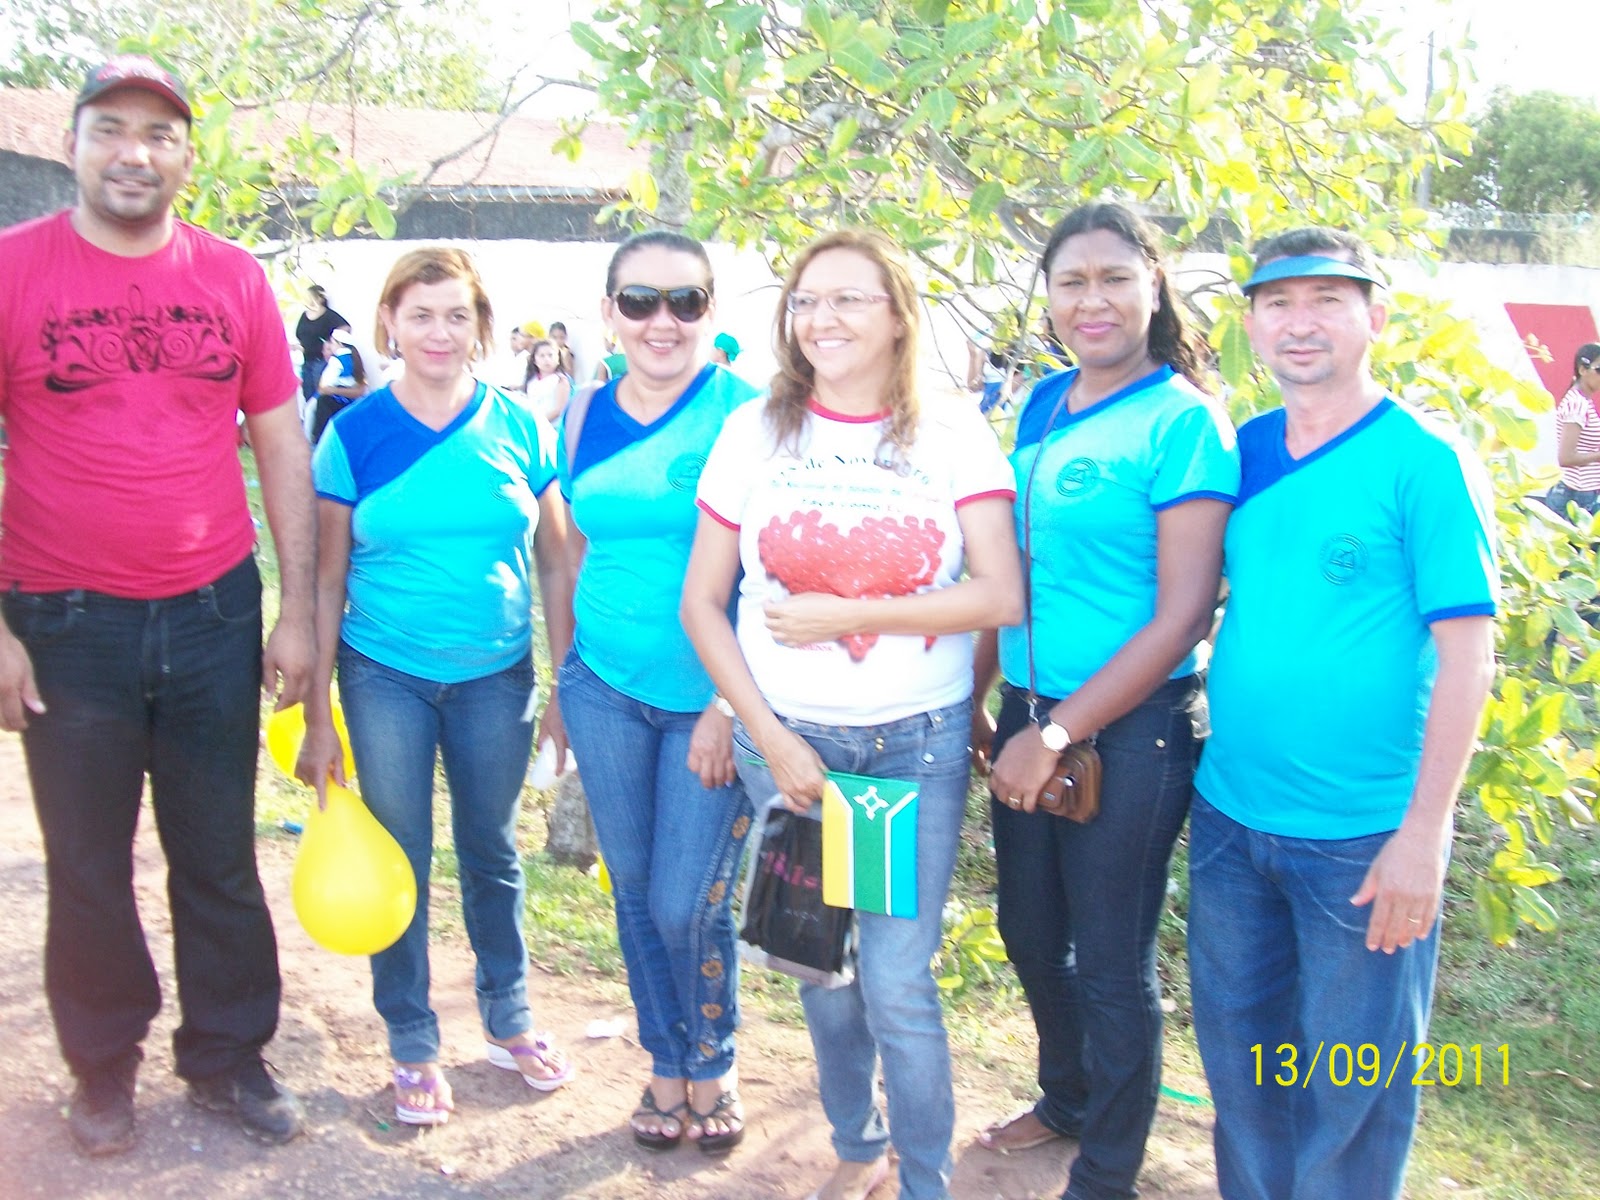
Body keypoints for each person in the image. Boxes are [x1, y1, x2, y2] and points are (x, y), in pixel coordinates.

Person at [0, 54, 314, 1155]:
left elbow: (281, 443)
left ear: (187, 155)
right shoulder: (11, 270)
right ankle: (104, 1068)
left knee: (217, 853)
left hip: (214, 614)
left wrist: (298, 610)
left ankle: (229, 1058)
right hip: (63, 623)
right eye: (112, 129)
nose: (136, 152)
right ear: (75, 144)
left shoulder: (232, 278)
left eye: (159, 134)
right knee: (87, 863)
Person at [683, 228, 1024, 1200]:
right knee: (818, 967)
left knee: (896, 984)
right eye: (805, 301)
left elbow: (1000, 594)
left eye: (848, 300)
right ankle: (856, 1140)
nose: (821, 319)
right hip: (793, 749)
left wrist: (859, 614)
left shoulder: (950, 429)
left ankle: (925, 1181)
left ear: (897, 316)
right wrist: (771, 736)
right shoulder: (757, 431)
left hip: (902, 750)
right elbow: (703, 603)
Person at [1188, 229, 1498, 1199]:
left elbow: (1467, 656)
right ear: (1250, 325)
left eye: (1327, 298)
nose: (1301, 321)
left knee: (1354, 1089)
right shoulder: (1244, 453)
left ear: (1376, 316)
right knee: (1242, 1074)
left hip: (1363, 844)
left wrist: (1424, 833)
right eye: (1278, 302)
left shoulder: (1424, 461)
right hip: (1231, 823)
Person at [975, 202, 1239, 1200]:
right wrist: (984, 700)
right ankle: (1068, 1096)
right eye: (1071, 280)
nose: (1091, 299)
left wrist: (1054, 731)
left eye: (1113, 278)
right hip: (1029, 708)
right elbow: (1012, 570)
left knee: (1109, 953)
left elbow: (1180, 617)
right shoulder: (1042, 404)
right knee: (1029, 931)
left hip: (1128, 731)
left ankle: (1109, 1169)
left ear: (1154, 290)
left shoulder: (1183, 420)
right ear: (1047, 297)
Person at [296, 247, 575, 1126]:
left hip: (497, 677)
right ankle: (412, 1040)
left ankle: (509, 1019)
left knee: (492, 852)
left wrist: (564, 684)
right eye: (420, 314)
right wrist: (317, 714)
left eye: (457, 315)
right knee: (401, 855)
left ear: (481, 328)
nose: (439, 332)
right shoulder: (355, 434)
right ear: (390, 325)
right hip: (383, 676)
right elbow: (322, 579)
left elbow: (558, 558)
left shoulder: (522, 427)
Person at [554, 231, 761, 1154]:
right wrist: (560, 674)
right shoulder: (577, 413)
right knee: (634, 888)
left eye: (684, 302)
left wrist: (728, 705)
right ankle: (667, 1061)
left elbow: (776, 573)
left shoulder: (749, 417)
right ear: (609, 313)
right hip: (602, 688)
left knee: (689, 899)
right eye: (639, 302)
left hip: (710, 703)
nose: (661, 321)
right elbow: (571, 549)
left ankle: (711, 1057)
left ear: (711, 317)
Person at [1543, 342, 1600, 516]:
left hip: (1583, 494)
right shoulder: (1577, 404)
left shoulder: (1582, 402)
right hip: (1577, 497)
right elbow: (1566, 457)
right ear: (1583, 370)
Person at [309, 327, 367, 443]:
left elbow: (324, 386)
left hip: (335, 399)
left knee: (309, 410)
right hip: (350, 401)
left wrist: (330, 389)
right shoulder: (355, 358)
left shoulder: (336, 361)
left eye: (332, 342)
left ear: (339, 344)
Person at [295, 283, 348, 406]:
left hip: (321, 360)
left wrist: (331, 343)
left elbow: (345, 327)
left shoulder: (328, 315)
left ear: (320, 298)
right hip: (307, 360)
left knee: (320, 396)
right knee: (308, 395)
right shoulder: (305, 315)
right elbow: (300, 334)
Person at [523, 337, 573, 423]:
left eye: (550, 355)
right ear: (534, 360)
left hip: (553, 428)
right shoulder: (532, 381)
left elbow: (559, 410)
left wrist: (538, 422)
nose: (547, 359)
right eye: (542, 356)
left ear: (558, 358)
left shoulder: (560, 380)